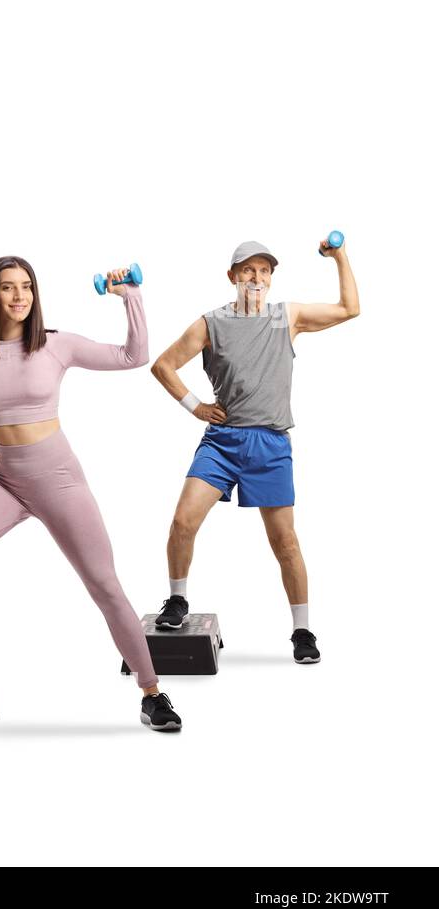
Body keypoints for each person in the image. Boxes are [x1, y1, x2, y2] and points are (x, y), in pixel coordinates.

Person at [0, 257, 181, 731]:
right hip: (2, 479)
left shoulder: (55, 345)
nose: (19, 296)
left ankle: (151, 691)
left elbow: (134, 355)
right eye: (8, 288)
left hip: (58, 477)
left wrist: (129, 297)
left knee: (105, 586)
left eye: (26, 287)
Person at [150, 237, 360, 663]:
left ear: (271, 278)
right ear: (233, 277)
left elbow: (349, 308)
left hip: (271, 445)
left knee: (284, 541)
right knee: (182, 521)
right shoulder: (211, 323)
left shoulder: (288, 317)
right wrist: (197, 408)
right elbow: (163, 365)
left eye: (264, 271)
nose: (256, 278)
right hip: (222, 444)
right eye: (248, 270)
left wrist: (339, 256)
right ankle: (177, 600)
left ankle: (302, 631)